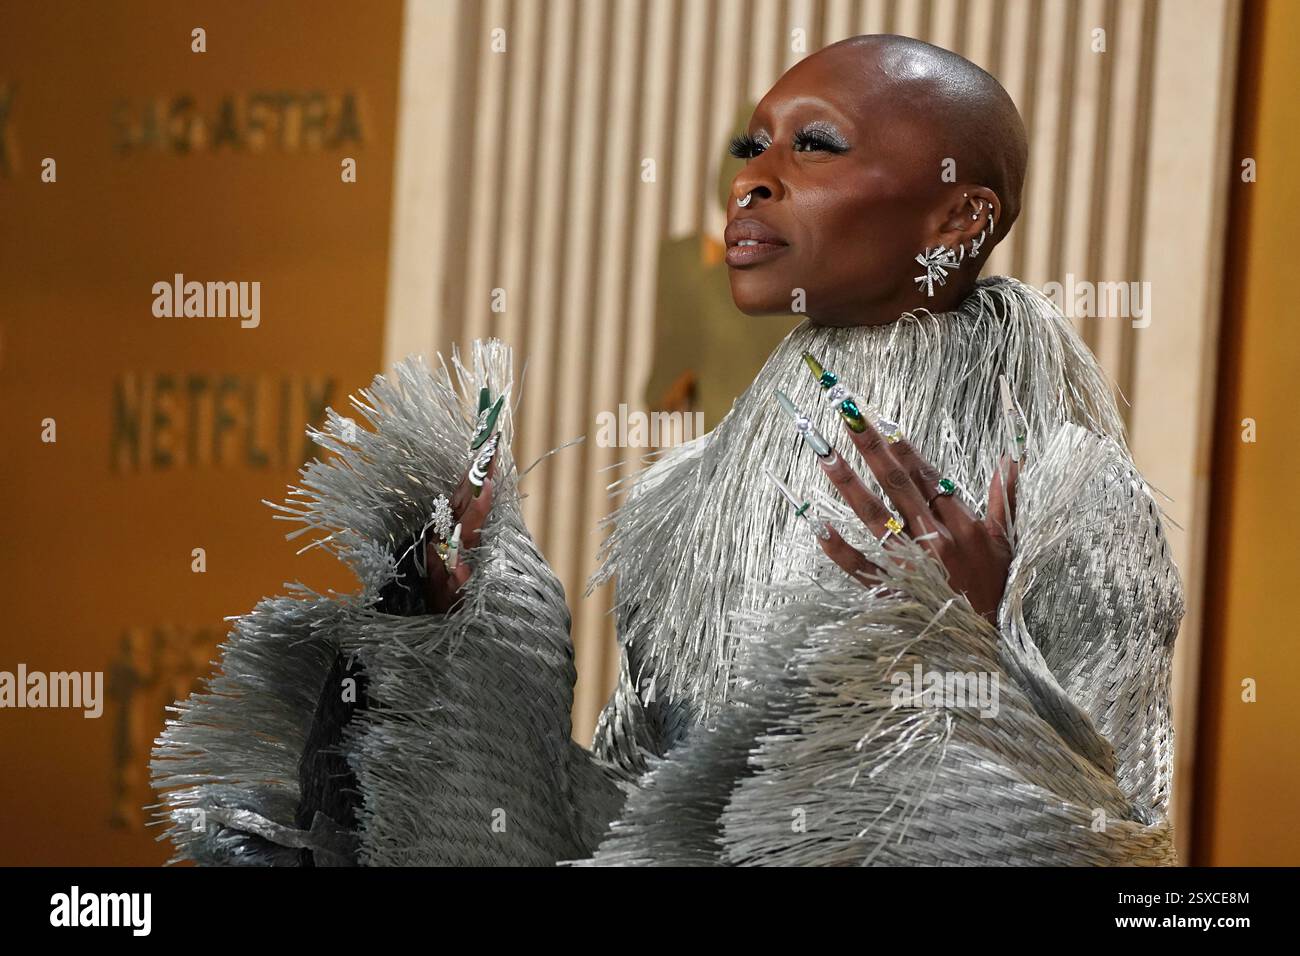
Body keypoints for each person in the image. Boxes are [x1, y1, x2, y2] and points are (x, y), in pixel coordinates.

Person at [151, 35, 1183, 866]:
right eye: (752, 147)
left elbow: (1123, 839)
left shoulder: (1068, 499)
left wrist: (981, 660)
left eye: (813, 147)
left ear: (958, 213)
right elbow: (631, 818)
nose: (753, 182)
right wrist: (456, 649)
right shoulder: (682, 499)